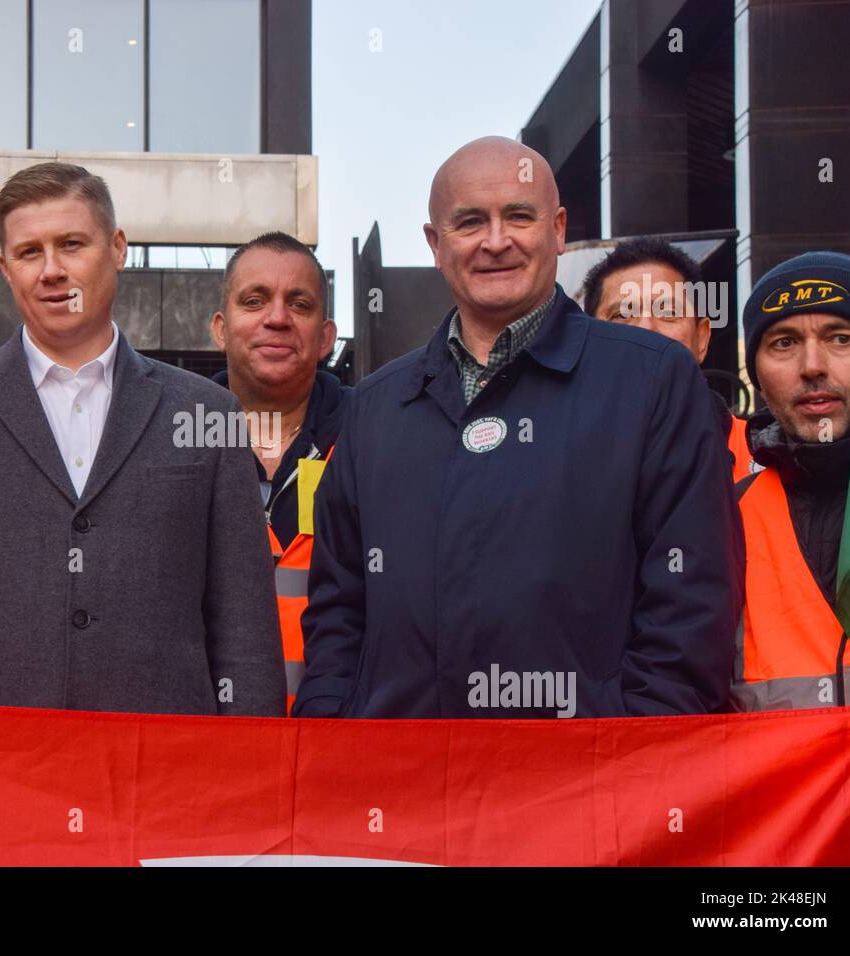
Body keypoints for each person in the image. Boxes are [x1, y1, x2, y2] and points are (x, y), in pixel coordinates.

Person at [294, 136, 744, 720]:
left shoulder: (654, 380)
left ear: (557, 229)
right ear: (435, 243)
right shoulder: (376, 407)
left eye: (519, 216)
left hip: (584, 790)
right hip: (404, 790)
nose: (496, 240)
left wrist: (629, 759)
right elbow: (338, 610)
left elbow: (691, 606)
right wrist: (332, 735)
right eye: (470, 222)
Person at [0, 162, 285, 715]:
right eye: (29, 252)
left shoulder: (208, 413)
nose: (51, 270)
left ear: (117, 248)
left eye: (72, 244)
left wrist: (247, 768)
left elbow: (243, 621)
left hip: (162, 764)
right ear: (5, 268)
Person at [210, 232, 350, 712]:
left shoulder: (374, 442)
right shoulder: (169, 443)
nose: (276, 318)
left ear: (326, 337)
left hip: (338, 748)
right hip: (203, 748)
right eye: (254, 301)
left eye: (299, 304)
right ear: (220, 329)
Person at [732, 251, 850, 709]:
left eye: (841, 338)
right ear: (756, 372)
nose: (812, 365)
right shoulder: (720, 519)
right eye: (783, 343)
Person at [581, 236, 753, 479]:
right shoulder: (554, 460)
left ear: (702, 339)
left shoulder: (764, 458)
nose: (646, 330)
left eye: (668, 312)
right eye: (622, 314)